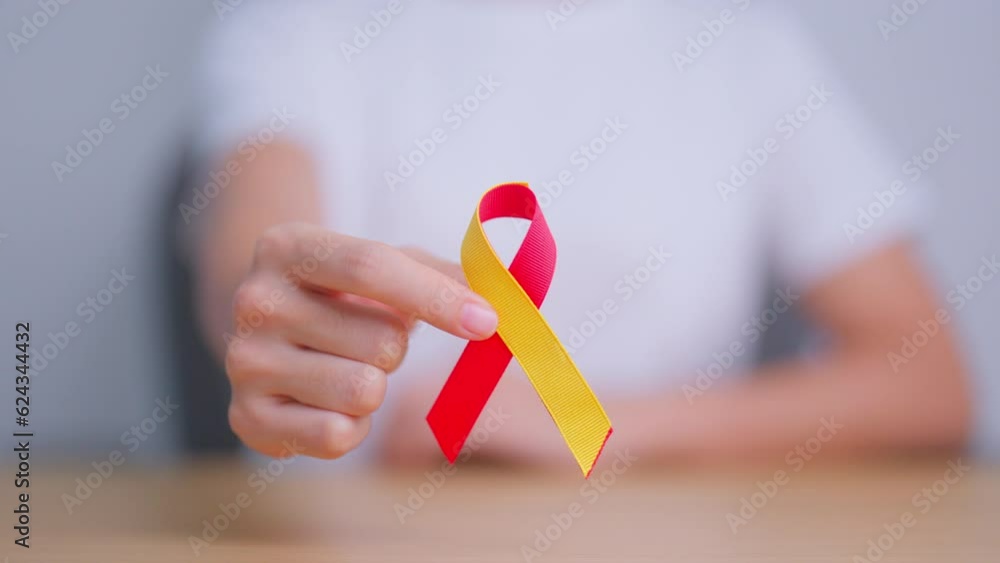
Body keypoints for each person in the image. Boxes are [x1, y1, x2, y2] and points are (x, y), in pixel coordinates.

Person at [188, 1, 969, 468]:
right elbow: (256, 257)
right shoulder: (306, 21)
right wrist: (271, 313)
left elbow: (930, 379)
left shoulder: (739, 41)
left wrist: (595, 427)